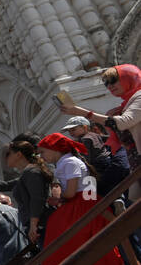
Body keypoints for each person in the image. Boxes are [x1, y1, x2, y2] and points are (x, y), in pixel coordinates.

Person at [37, 133, 141, 265]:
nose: (42, 156)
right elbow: (90, 190)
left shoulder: (67, 163)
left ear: (55, 149)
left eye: (43, 151)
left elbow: (70, 193)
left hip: (78, 209)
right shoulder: (76, 160)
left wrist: (57, 198)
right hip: (87, 206)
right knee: (102, 254)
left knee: (66, 252)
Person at [58, 64, 141, 203]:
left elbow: (123, 122)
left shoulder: (138, 97)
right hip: (135, 162)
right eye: (106, 84)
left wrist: (83, 112)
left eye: (114, 80)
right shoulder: (125, 105)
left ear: (129, 77)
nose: (110, 86)